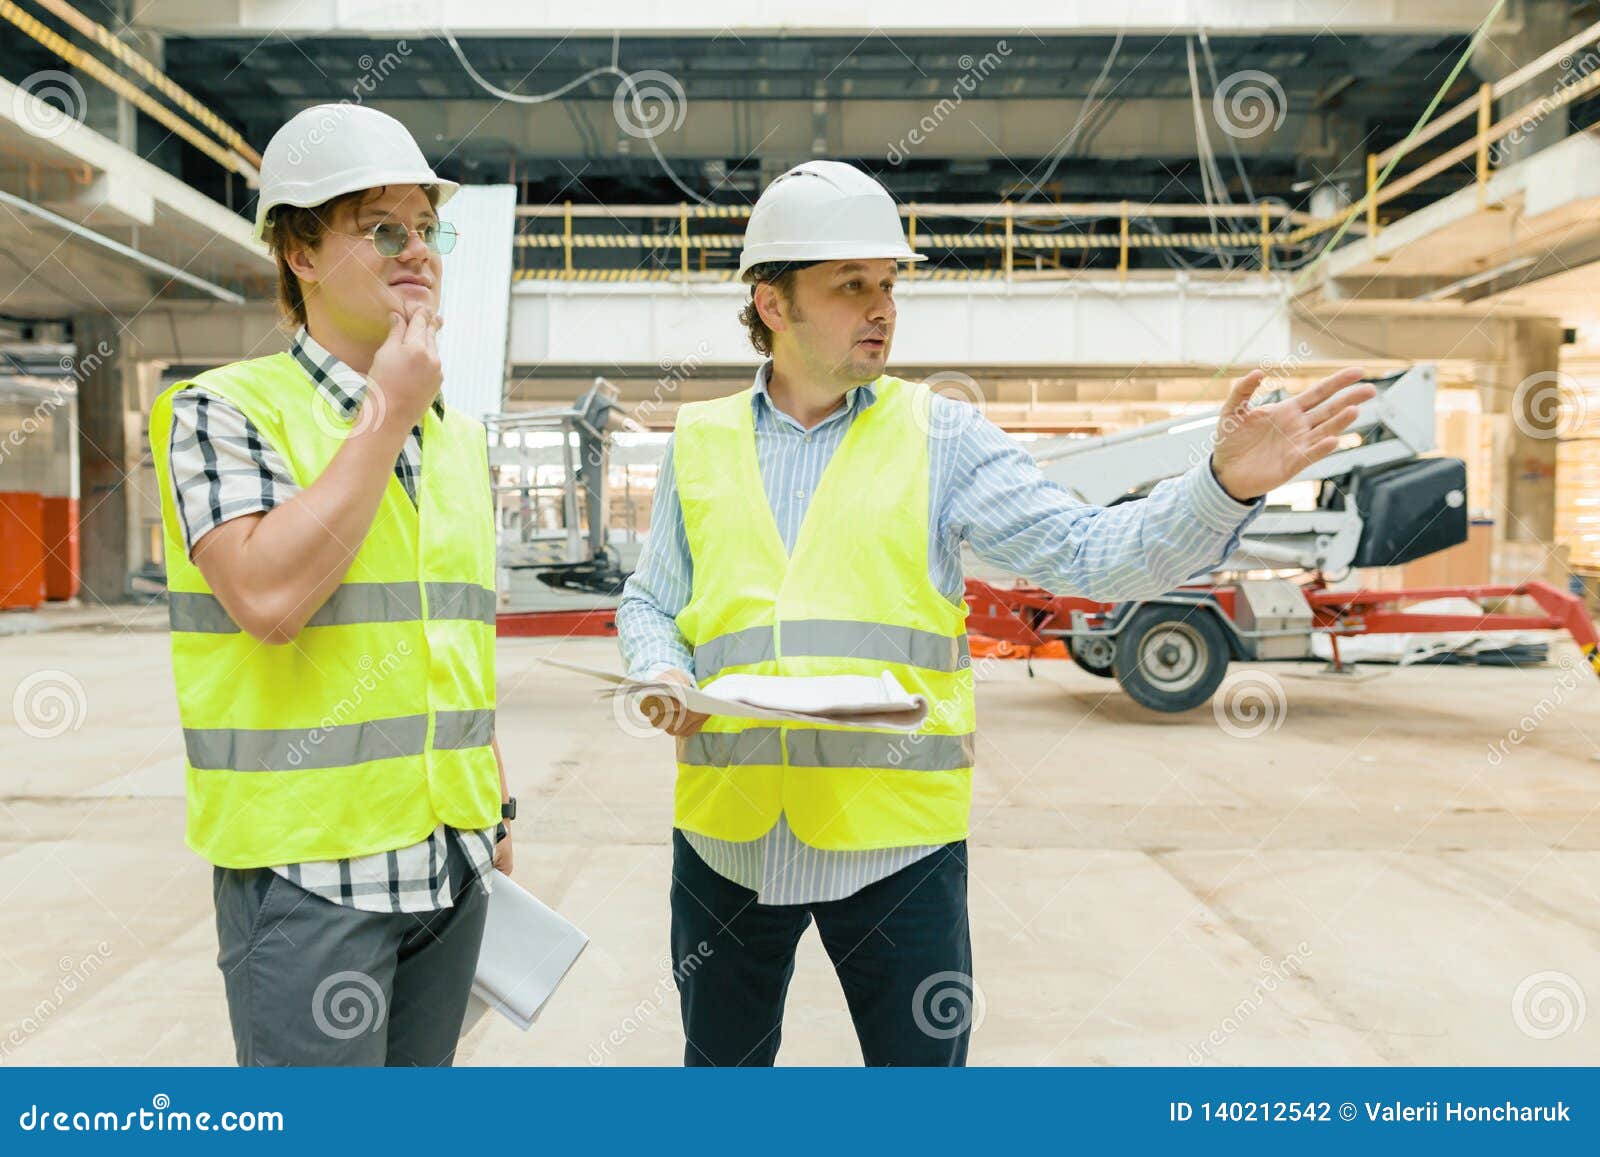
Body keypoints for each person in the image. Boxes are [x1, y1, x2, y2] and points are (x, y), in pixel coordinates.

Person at [616, 159, 1375, 1066]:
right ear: (771, 304)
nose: (881, 307)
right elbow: (651, 598)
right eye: (850, 284)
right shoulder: (698, 442)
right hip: (726, 837)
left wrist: (1221, 487)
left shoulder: (942, 436)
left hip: (894, 843)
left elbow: (1095, 556)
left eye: (889, 284)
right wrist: (659, 669)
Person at [147, 104, 516, 1066]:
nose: (417, 253)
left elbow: (455, 647)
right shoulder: (220, 410)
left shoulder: (458, 440)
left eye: (428, 230)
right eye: (381, 229)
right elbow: (269, 600)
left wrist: (495, 813)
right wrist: (387, 412)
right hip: (309, 875)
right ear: (299, 250)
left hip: (452, 863)